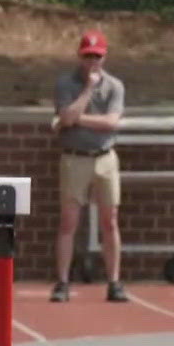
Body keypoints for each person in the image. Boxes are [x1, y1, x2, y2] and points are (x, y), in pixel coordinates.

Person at [50, 28, 126, 304]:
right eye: (88, 56)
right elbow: (65, 115)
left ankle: (114, 282)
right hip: (75, 157)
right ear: (80, 56)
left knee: (110, 220)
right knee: (69, 220)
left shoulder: (115, 86)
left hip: (104, 157)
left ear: (104, 57)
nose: (92, 62)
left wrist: (75, 119)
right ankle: (62, 282)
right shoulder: (65, 84)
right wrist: (88, 90)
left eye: (97, 56)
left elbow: (111, 123)